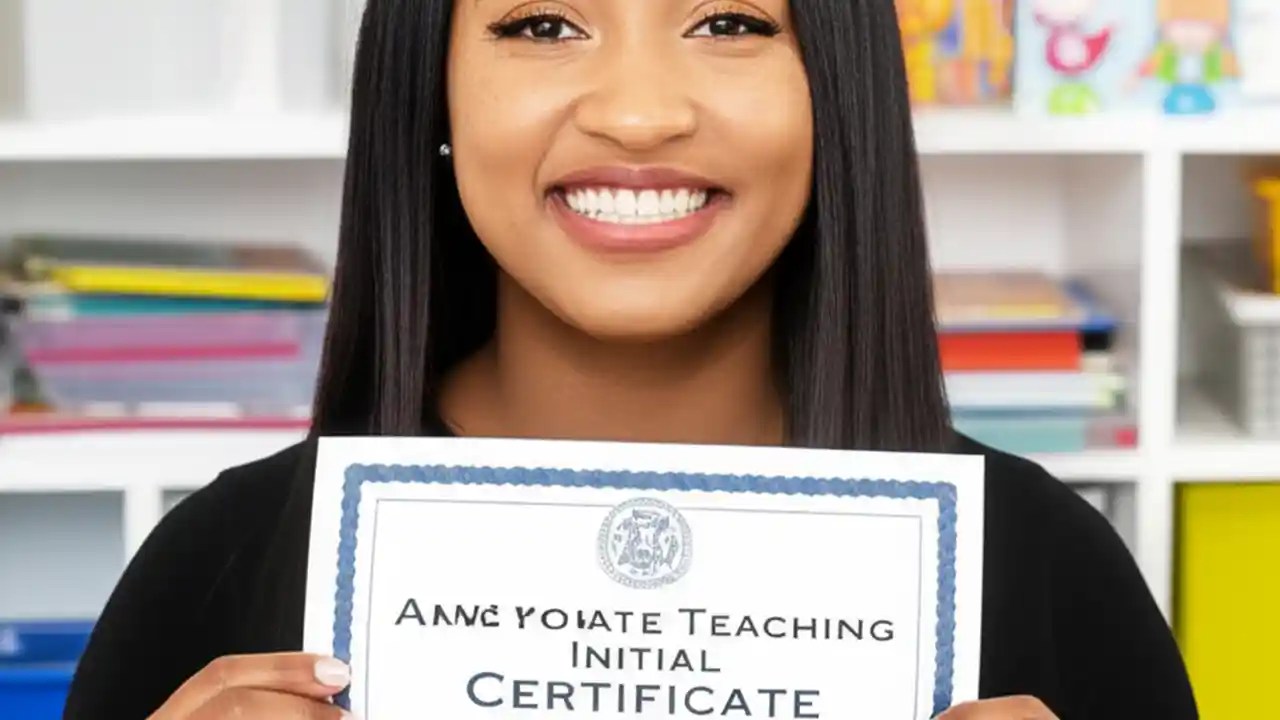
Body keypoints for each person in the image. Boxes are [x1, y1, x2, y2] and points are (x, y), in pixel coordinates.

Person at [62, 0, 1198, 717]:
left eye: (730, 23)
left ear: (833, 95)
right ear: (432, 89)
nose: (641, 115)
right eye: (543, 24)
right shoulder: (216, 568)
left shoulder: (1052, 570)